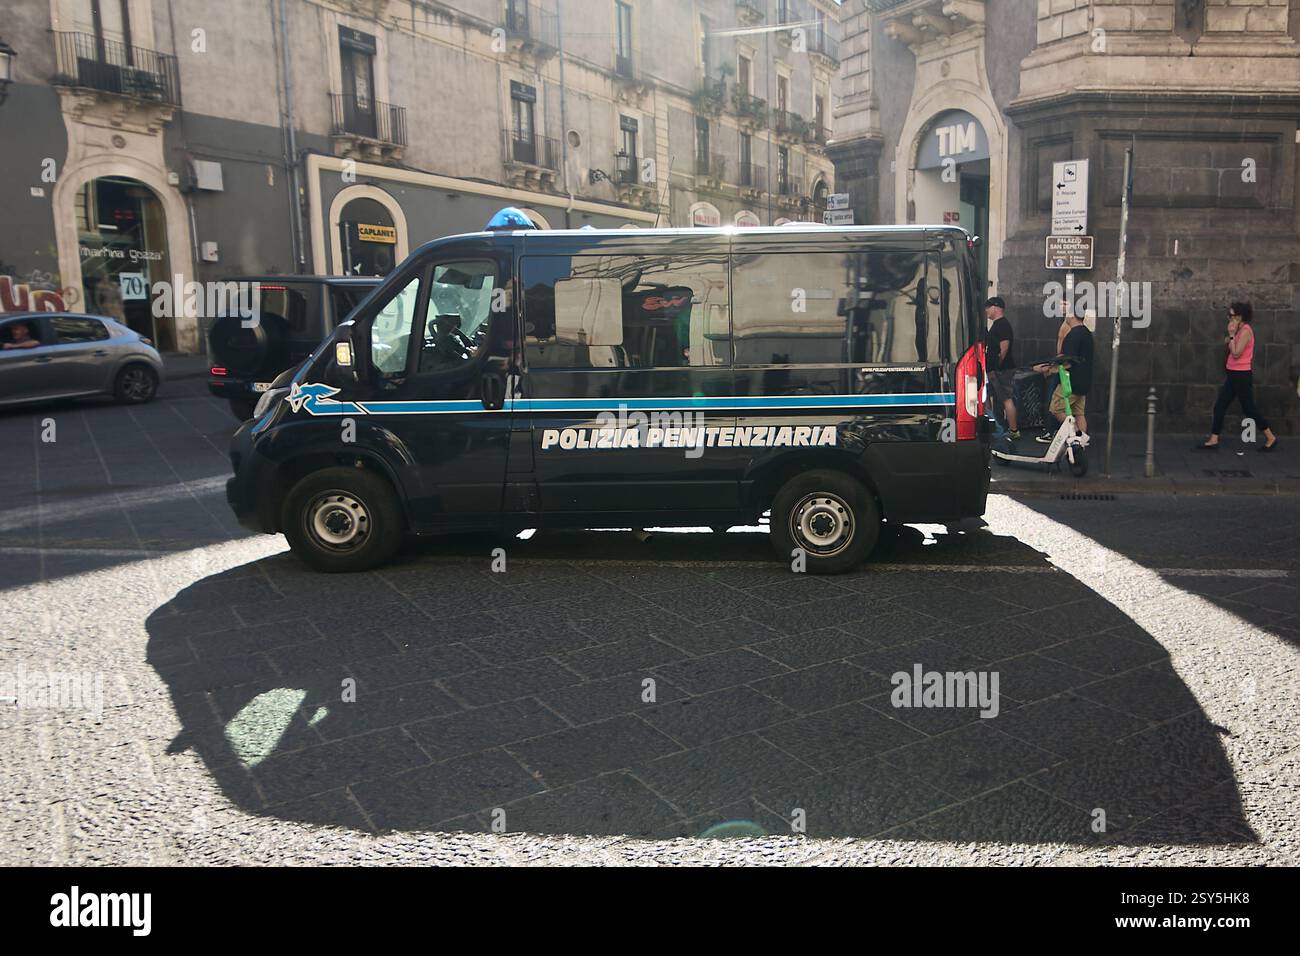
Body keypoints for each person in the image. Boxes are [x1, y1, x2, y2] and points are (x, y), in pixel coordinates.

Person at [1195, 301, 1278, 452]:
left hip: (1241, 375)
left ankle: (1270, 437)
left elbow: (1236, 353)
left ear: (1241, 316)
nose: (1230, 318)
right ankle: (1214, 439)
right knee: (1220, 406)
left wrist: (1232, 336)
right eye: (1229, 315)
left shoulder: (1246, 330)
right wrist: (1231, 336)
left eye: (1233, 316)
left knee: (1249, 409)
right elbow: (1228, 342)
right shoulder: (1239, 329)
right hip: (1233, 374)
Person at [1036, 306, 1092, 441]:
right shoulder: (1087, 333)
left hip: (1070, 382)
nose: (1065, 315)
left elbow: (1067, 361)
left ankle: (1076, 435)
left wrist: (1048, 369)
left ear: (1072, 315)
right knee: (1079, 413)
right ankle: (1083, 441)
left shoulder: (1073, 335)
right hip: (1084, 381)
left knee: (1056, 409)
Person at [983, 296, 1019, 439]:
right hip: (996, 370)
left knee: (1006, 399)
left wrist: (997, 366)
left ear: (996, 308)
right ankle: (1001, 427)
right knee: (997, 400)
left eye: (988, 307)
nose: (986, 310)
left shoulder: (1002, 325)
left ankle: (1014, 430)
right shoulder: (997, 325)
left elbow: (1004, 348)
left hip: (1003, 370)